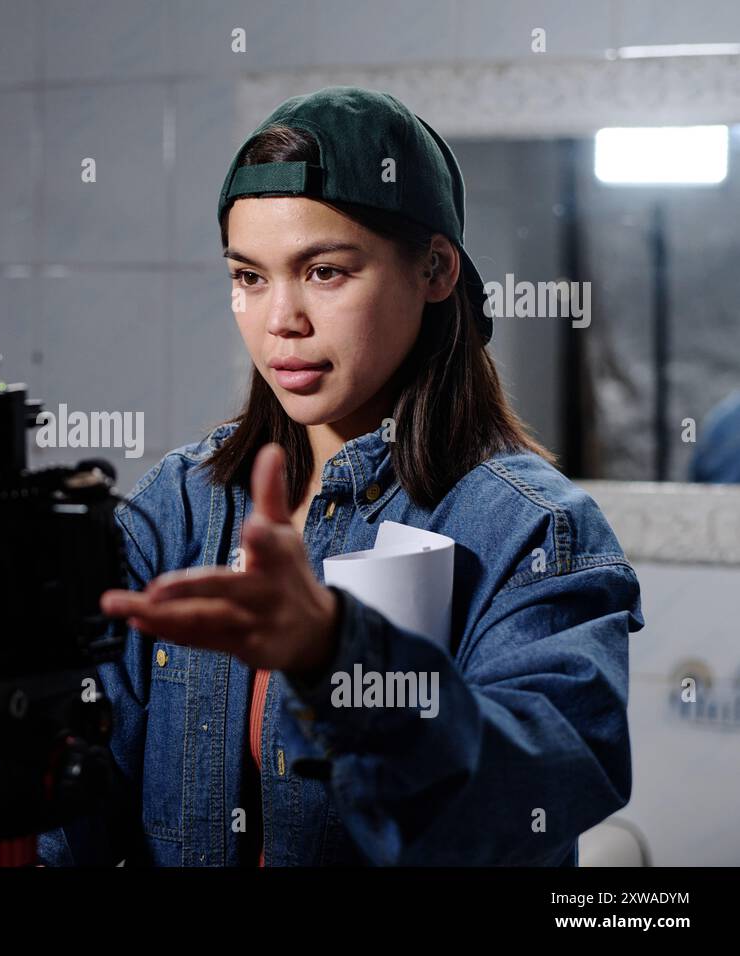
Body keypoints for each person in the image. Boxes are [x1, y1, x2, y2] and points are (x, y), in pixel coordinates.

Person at [38, 86, 645, 866]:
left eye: (323, 272)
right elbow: (79, 804)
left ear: (434, 270)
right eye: (250, 277)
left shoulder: (530, 529)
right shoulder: (182, 507)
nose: (280, 319)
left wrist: (341, 655)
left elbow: (535, 792)